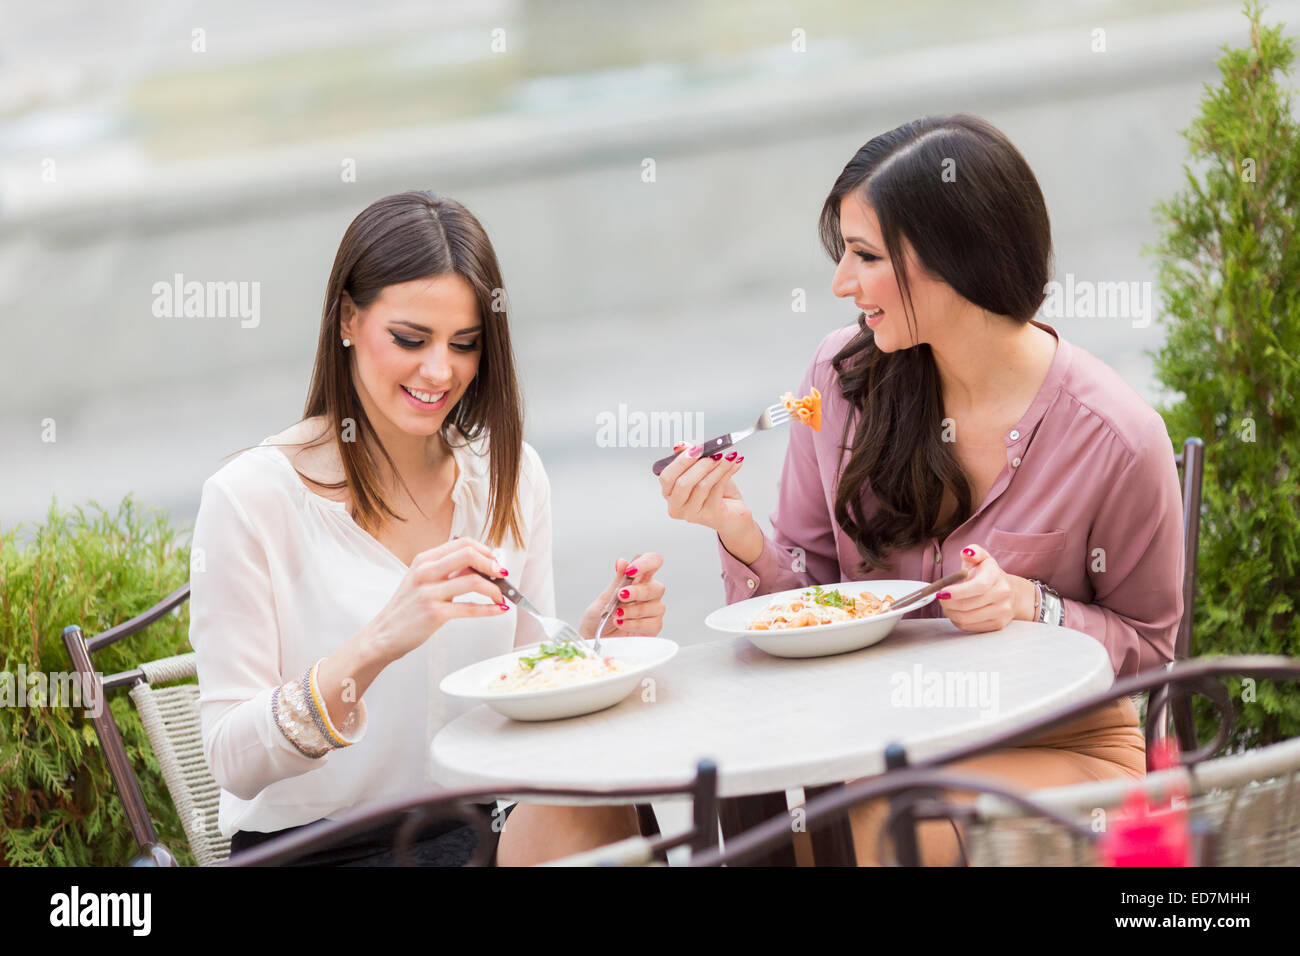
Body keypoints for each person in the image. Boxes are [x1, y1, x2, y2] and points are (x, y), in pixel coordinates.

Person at [656, 115, 1184, 865]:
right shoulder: (843, 381)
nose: (842, 285)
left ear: (956, 257)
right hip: (869, 743)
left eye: (865, 257)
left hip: (1064, 755)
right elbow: (811, 594)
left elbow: (1154, 655)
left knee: (887, 809)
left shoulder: (1116, 436)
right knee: (770, 824)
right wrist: (742, 534)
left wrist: (1033, 606)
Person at [189, 191, 667, 866]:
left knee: (598, 801)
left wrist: (594, 641)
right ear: (348, 319)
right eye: (410, 339)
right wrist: (382, 638)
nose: (440, 371)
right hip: (322, 848)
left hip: (483, 828)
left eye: (465, 344)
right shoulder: (250, 499)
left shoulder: (509, 477)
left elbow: (528, 697)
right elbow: (230, 759)